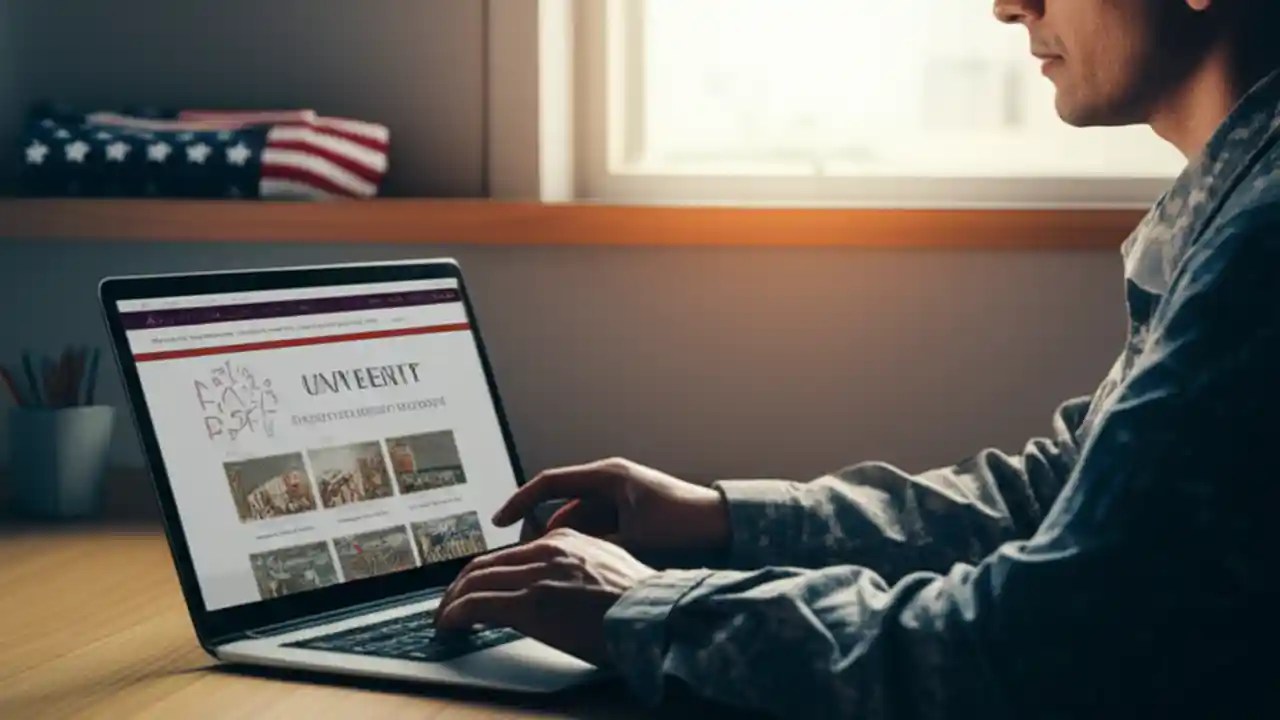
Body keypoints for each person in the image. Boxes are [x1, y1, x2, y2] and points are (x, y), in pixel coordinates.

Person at [438, 1, 1280, 717]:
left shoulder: (1262, 243)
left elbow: (1033, 643)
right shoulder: (1237, 202)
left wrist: (644, 607)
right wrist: (716, 519)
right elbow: (1052, 497)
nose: (1007, 4)